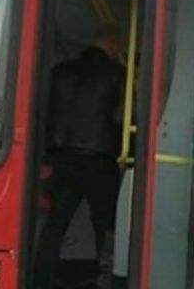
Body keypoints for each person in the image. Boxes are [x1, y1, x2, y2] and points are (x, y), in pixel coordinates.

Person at [34, 34, 126, 289]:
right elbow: (124, 117)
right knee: (106, 228)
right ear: (114, 47)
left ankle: (37, 281)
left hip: (61, 158)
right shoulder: (117, 72)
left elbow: (46, 112)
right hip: (99, 160)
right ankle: (108, 281)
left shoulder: (60, 71)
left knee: (55, 228)